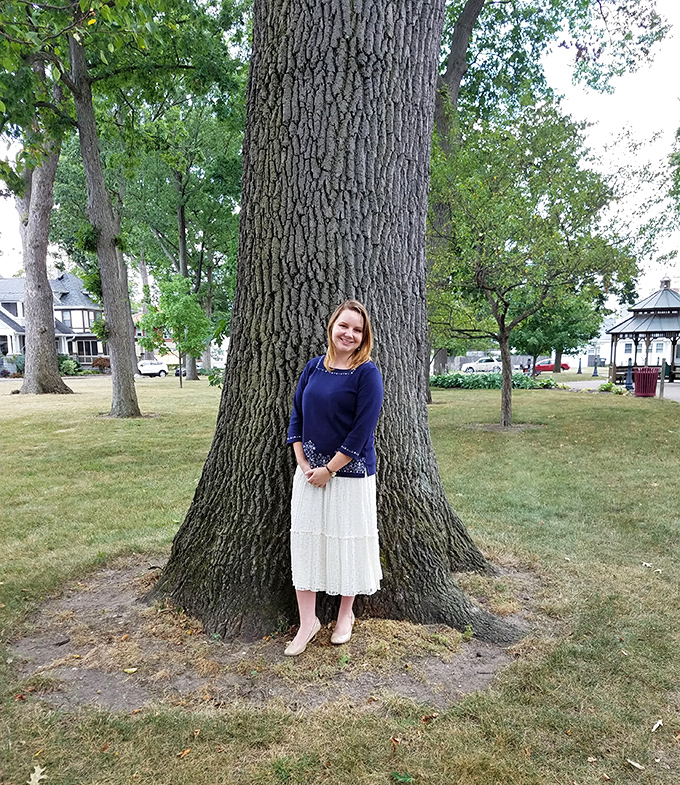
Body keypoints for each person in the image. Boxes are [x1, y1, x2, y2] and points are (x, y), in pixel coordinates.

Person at [284, 300, 384, 656]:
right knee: (307, 543)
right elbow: (296, 417)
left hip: (349, 475)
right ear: (332, 327)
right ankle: (307, 621)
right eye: (344, 326)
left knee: (347, 541)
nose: (349, 334)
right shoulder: (313, 368)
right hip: (309, 474)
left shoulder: (367, 374)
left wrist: (330, 469)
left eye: (357, 330)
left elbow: (362, 432)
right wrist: (304, 463)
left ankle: (346, 615)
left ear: (363, 337)